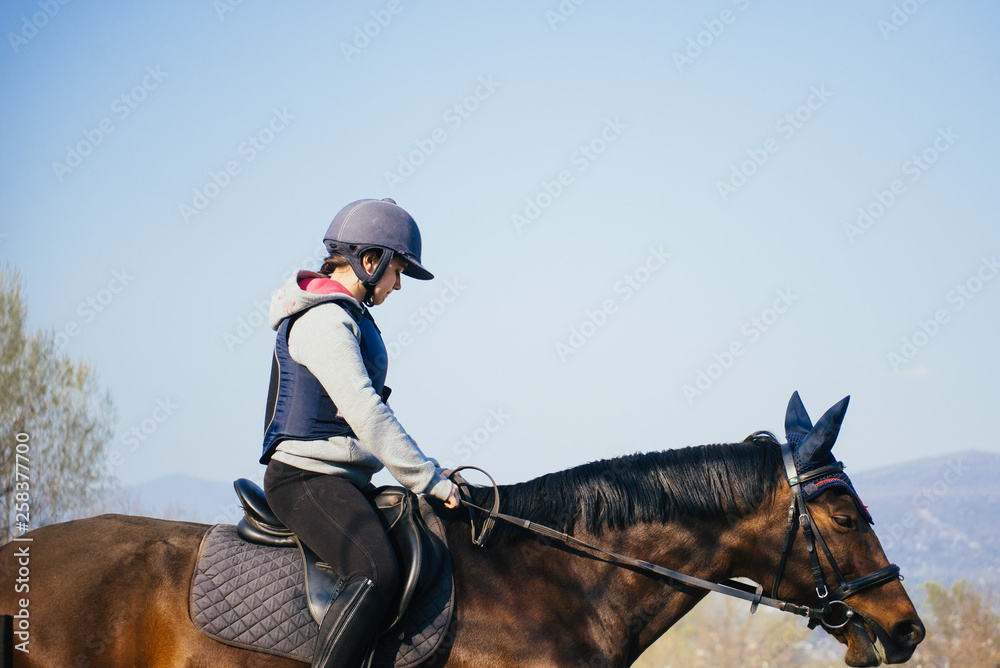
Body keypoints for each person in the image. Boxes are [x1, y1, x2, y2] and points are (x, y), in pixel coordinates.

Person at [259, 198, 461, 668]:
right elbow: (367, 414)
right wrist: (428, 480)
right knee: (374, 572)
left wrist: (431, 470)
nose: (396, 285)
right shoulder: (325, 320)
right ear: (369, 262)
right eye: (396, 273)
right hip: (305, 480)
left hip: (343, 481)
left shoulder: (348, 316)